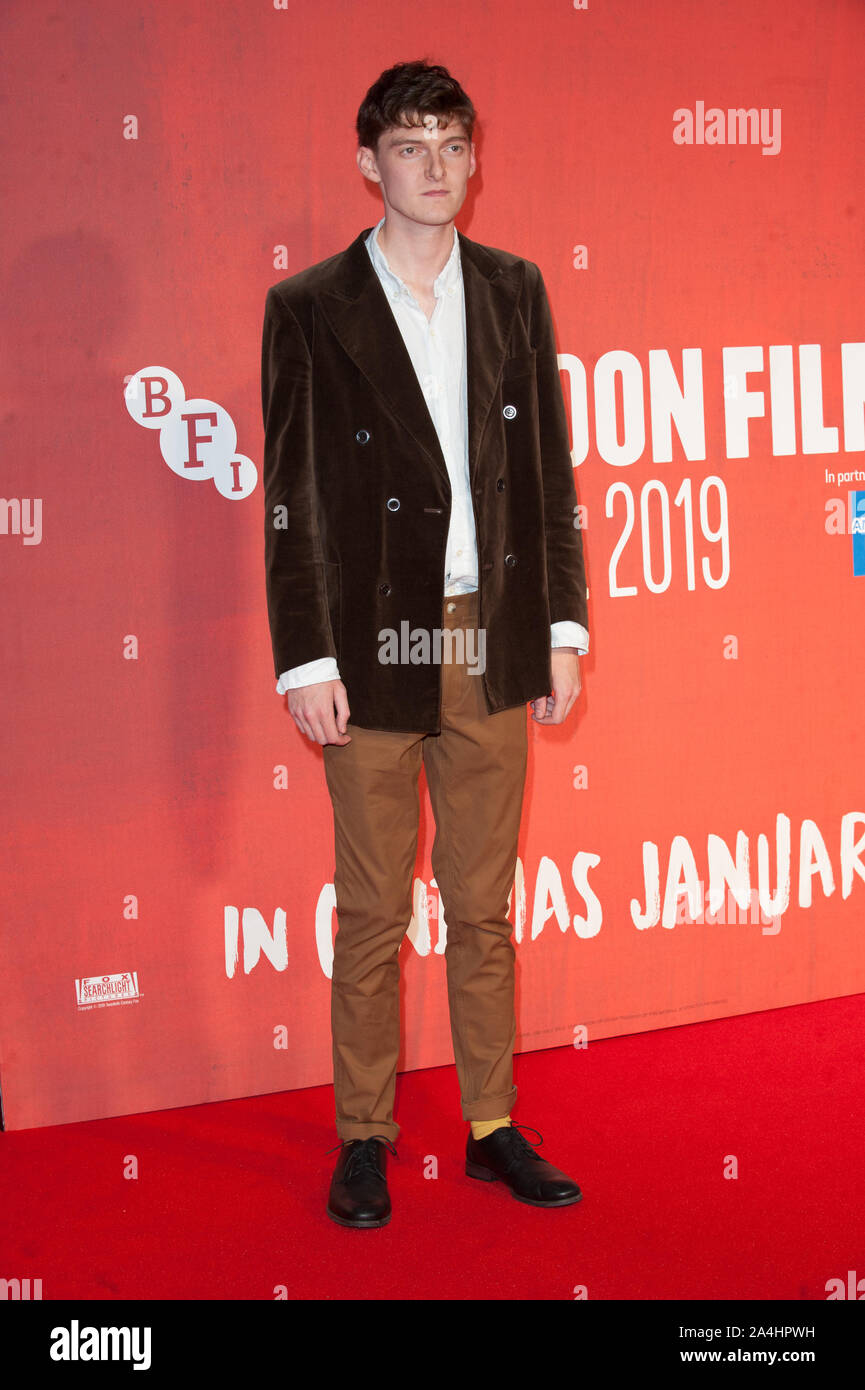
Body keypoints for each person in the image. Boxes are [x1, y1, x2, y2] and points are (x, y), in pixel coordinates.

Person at [261, 59, 589, 1227]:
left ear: (473, 158)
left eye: (452, 144)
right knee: (372, 909)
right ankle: (364, 1132)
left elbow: (544, 471)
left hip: (489, 634)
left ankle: (492, 1125)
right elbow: (291, 494)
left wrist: (559, 627)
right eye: (410, 146)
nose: (435, 167)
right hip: (372, 645)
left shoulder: (513, 288)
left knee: (484, 902)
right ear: (370, 164)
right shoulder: (309, 306)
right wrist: (307, 658)